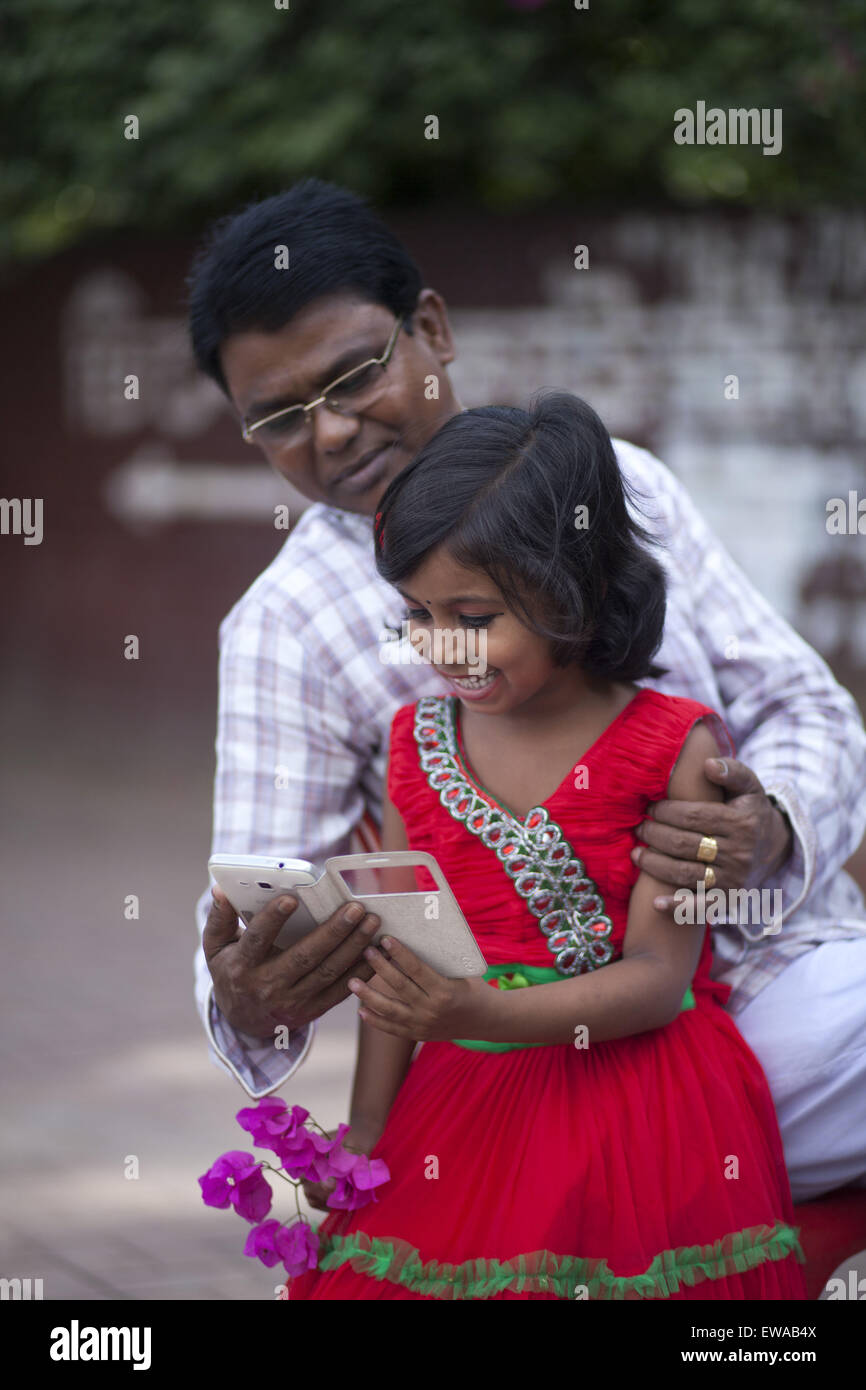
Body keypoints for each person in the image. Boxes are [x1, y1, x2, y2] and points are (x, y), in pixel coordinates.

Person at [187, 179, 866, 1203]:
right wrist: (244, 998)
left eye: (352, 376)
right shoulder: (283, 631)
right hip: (525, 1068)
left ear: (431, 328)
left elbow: (806, 709)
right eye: (277, 417)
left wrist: (766, 822)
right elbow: (272, 901)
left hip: (782, 990)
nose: (327, 434)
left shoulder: (622, 489)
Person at [288, 394, 808, 1300]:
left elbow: (658, 977)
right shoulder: (412, 747)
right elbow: (399, 956)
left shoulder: (678, 750)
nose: (440, 645)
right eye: (415, 612)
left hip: (645, 1107)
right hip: (461, 1102)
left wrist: (477, 1017)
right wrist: (366, 1131)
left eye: (475, 615)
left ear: (583, 591)